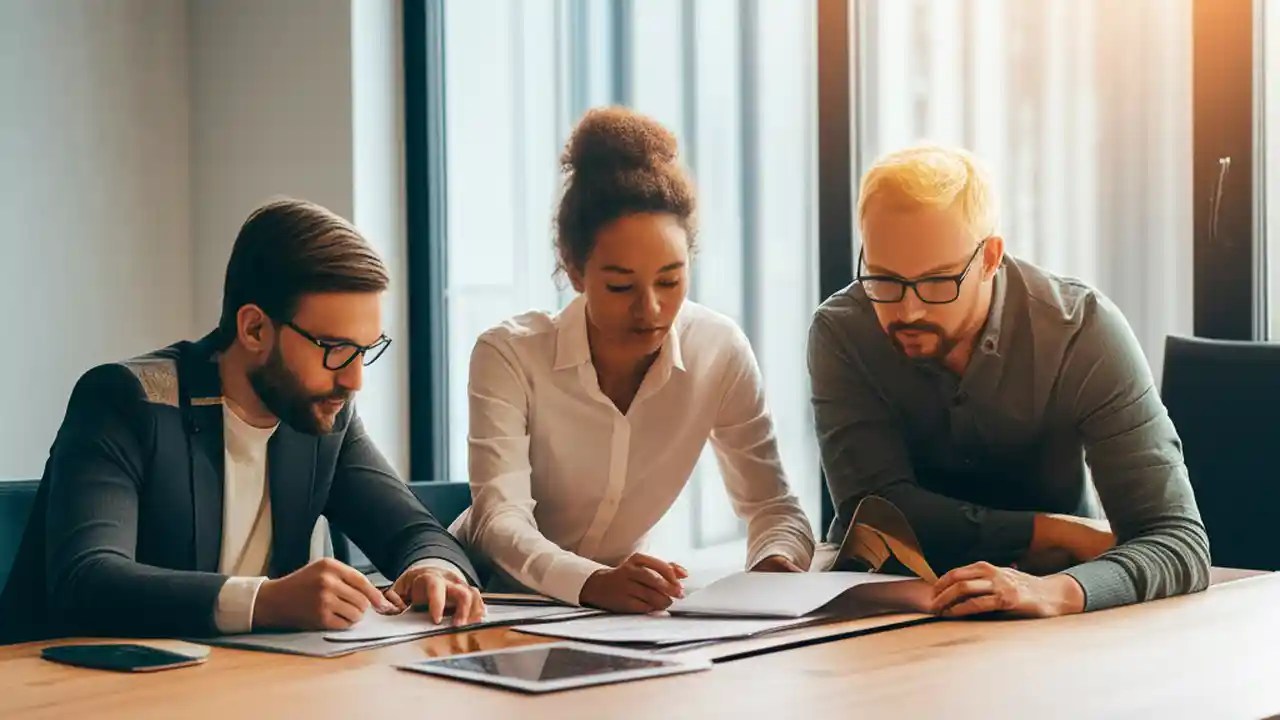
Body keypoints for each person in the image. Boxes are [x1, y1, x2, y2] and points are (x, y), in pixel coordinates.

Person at [0, 199, 482, 644]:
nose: (354, 380)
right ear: (254, 328)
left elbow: (415, 532)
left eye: (365, 350)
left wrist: (433, 571)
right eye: (335, 349)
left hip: (239, 683)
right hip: (77, 683)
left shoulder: (320, 415)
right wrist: (265, 601)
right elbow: (87, 581)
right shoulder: (125, 401)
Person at [809, 145, 1210, 618]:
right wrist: (1052, 532)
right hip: (888, 608)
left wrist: (1056, 592)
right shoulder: (842, 331)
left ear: (990, 258)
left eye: (937, 282)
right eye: (884, 279)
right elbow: (876, 515)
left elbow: (1176, 541)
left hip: (1050, 615)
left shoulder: (1078, 330)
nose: (908, 311)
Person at [451, 107, 816, 612]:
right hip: (484, 598)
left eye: (670, 280)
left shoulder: (718, 350)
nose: (651, 310)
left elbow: (775, 508)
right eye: (621, 286)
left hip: (613, 615)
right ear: (573, 268)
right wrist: (593, 582)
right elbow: (499, 521)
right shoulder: (509, 354)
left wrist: (774, 566)